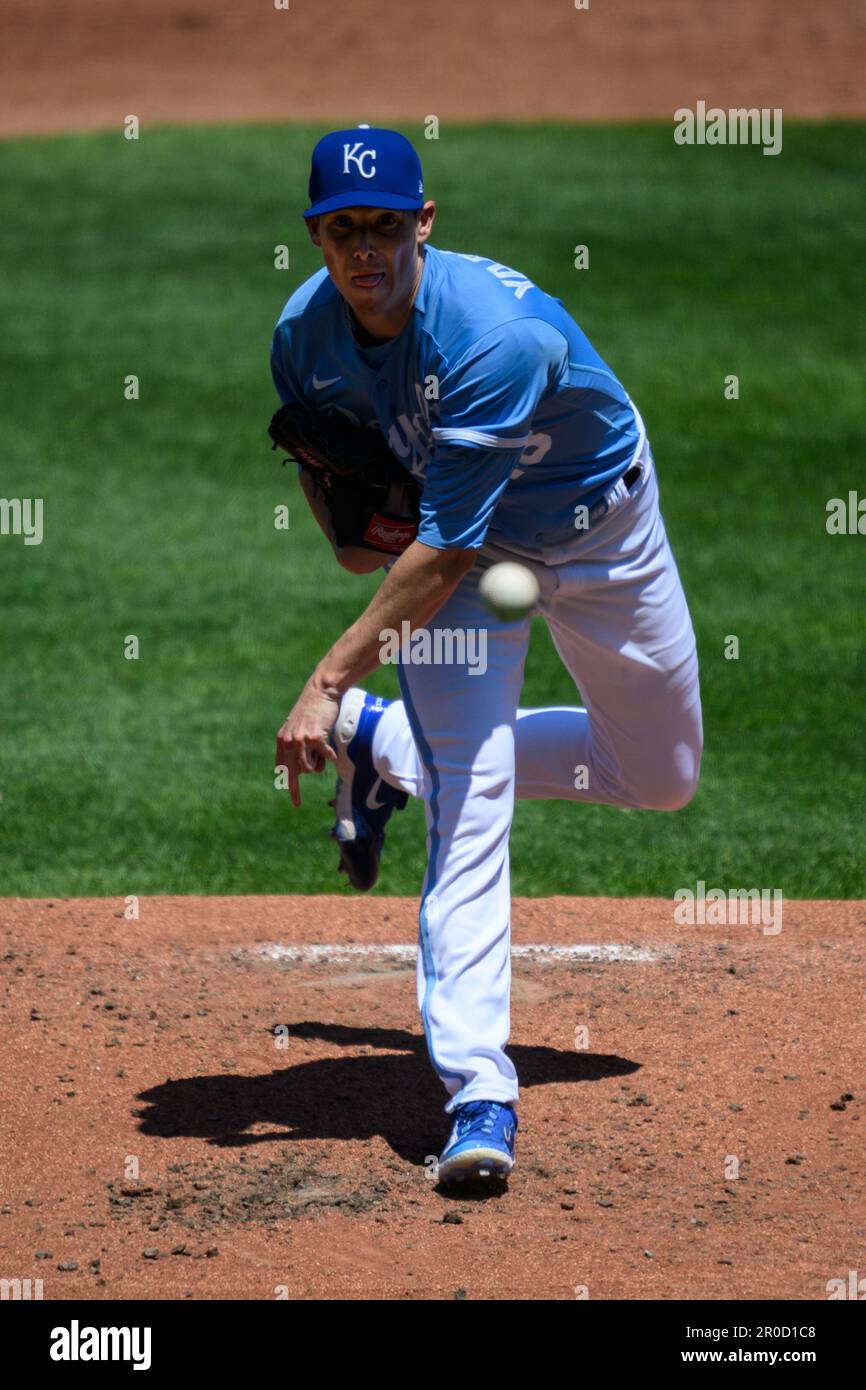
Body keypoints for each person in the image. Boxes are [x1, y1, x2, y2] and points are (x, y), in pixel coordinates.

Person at [272, 126, 703, 1183]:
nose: (362, 249)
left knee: (659, 778)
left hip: (599, 531)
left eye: (382, 225)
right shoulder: (302, 335)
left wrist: (334, 683)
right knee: (474, 798)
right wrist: (353, 531)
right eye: (340, 230)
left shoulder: (488, 336)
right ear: (316, 237)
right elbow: (350, 526)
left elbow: (444, 541)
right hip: (464, 564)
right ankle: (477, 1094)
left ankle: (382, 743)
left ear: (424, 222)